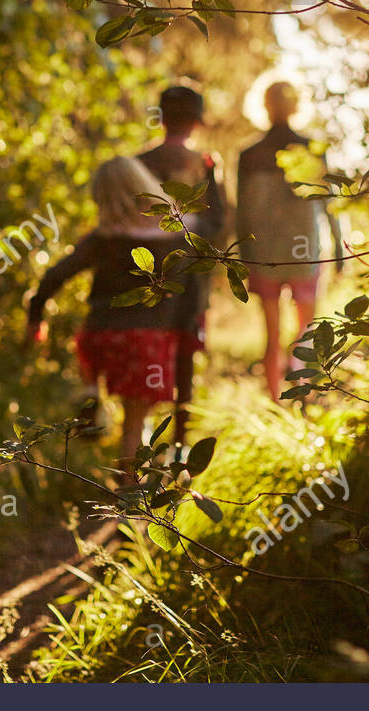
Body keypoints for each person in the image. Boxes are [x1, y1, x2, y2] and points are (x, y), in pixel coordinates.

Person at [25, 157, 194, 482]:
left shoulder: (102, 238)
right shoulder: (173, 235)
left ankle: (91, 393)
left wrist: (36, 316)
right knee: (133, 425)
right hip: (144, 337)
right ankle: (129, 498)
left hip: (98, 334)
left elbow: (55, 276)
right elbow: (182, 293)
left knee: (94, 359)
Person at [236, 81, 343, 402]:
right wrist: (339, 248)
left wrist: (244, 256)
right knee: (306, 333)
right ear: (297, 105)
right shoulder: (312, 147)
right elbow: (330, 203)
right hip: (305, 253)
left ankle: (275, 402)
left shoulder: (249, 155)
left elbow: (241, 212)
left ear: (264, 106)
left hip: (264, 256)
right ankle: (302, 400)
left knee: (271, 337)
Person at [136, 84, 224, 447]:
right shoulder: (204, 164)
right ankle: (180, 442)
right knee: (185, 354)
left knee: (144, 348)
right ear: (197, 123)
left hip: (143, 272)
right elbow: (217, 219)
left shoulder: (138, 162)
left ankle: (137, 438)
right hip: (188, 275)